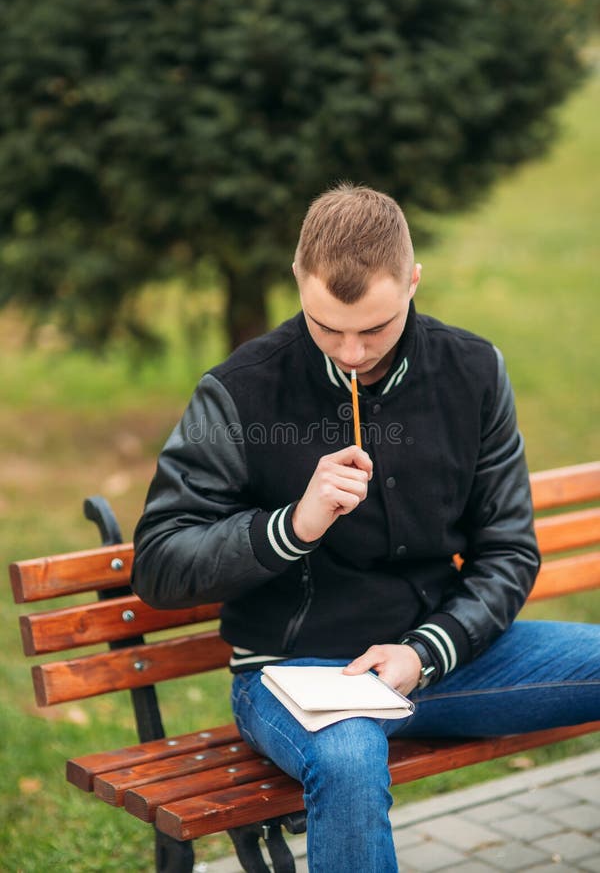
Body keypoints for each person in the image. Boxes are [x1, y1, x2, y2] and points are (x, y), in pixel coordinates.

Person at [132, 184, 599, 872]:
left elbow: (508, 550)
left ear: (412, 281)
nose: (351, 353)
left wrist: (425, 652)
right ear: (298, 281)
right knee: (349, 759)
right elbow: (160, 566)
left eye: (374, 329)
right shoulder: (239, 391)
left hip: (439, 662)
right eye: (327, 327)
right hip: (293, 675)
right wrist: (294, 524)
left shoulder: (473, 370)